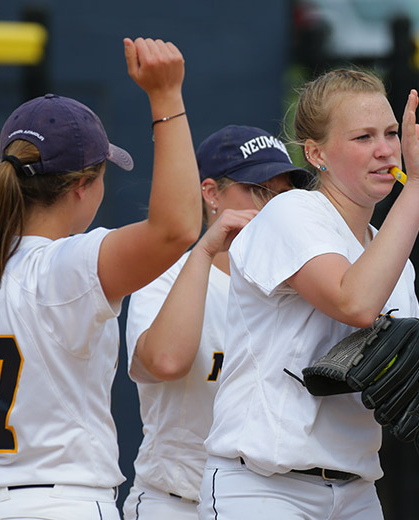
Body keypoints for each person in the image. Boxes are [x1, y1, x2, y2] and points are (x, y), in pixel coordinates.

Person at [0, 38, 202, 519]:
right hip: (52, 502)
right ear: (81, 186)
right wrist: (166, 97)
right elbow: (177, 229)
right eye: (100, 177)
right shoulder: (65, 267)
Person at [197, 69, 419, 520]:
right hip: (264, 489)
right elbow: (354, 302)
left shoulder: (390, 250)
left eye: (389, 133)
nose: (385, 149)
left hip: (356, 490)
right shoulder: (292, 211)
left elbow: (405, 386)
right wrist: (417, 185)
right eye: (363, 137)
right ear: (316, 152)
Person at [121, 125, 312, 519]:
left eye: (285, 193)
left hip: (268, 504)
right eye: (260, 190)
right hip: (177, 502)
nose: (274, 206)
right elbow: (162, 362)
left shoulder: (306, 284)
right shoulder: (166, 277)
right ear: (210, 193)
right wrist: (207, 249)